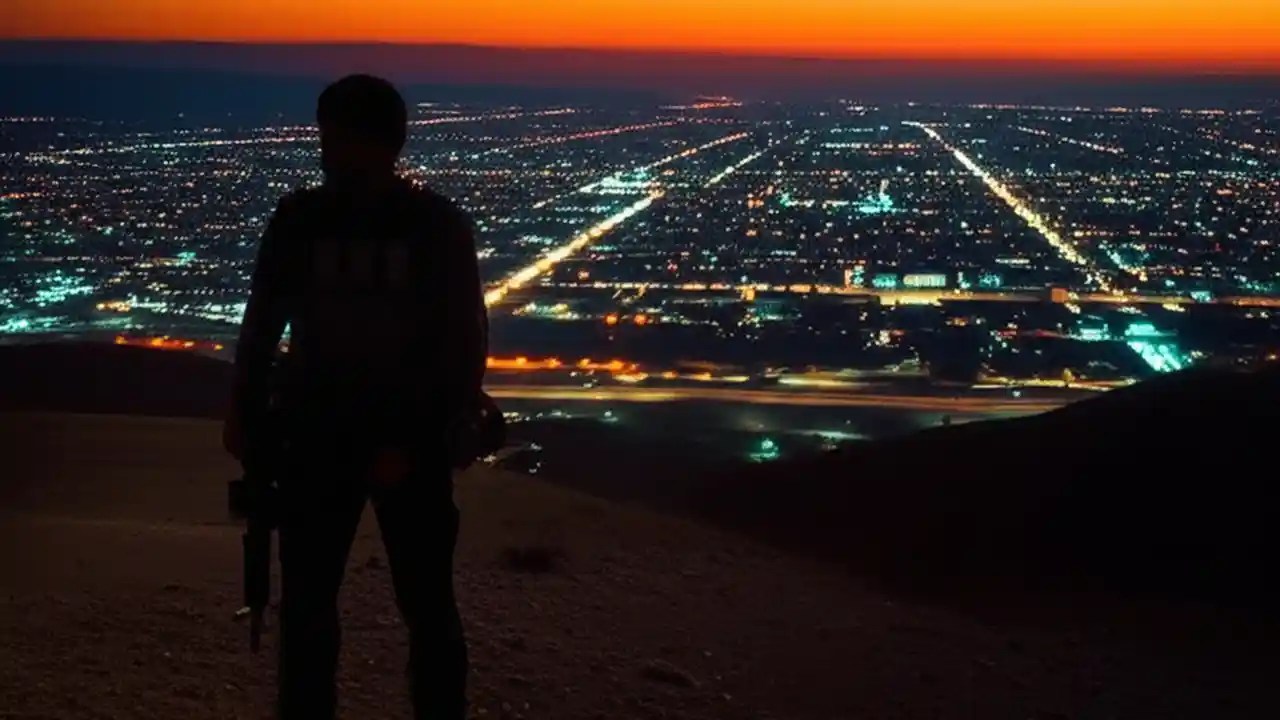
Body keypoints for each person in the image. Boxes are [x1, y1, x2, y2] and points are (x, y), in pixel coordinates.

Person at [222, 74, 486, 720]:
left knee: (419, 611)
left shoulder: (405, 225)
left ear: (373, 143)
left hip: (370, 441)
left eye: (334, 137)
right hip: (323, 439)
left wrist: (416, 443)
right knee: (321, 612)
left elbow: (461, 349)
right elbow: (261, 332)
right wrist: (247, 412)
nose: (323, 150)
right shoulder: (419, 223)